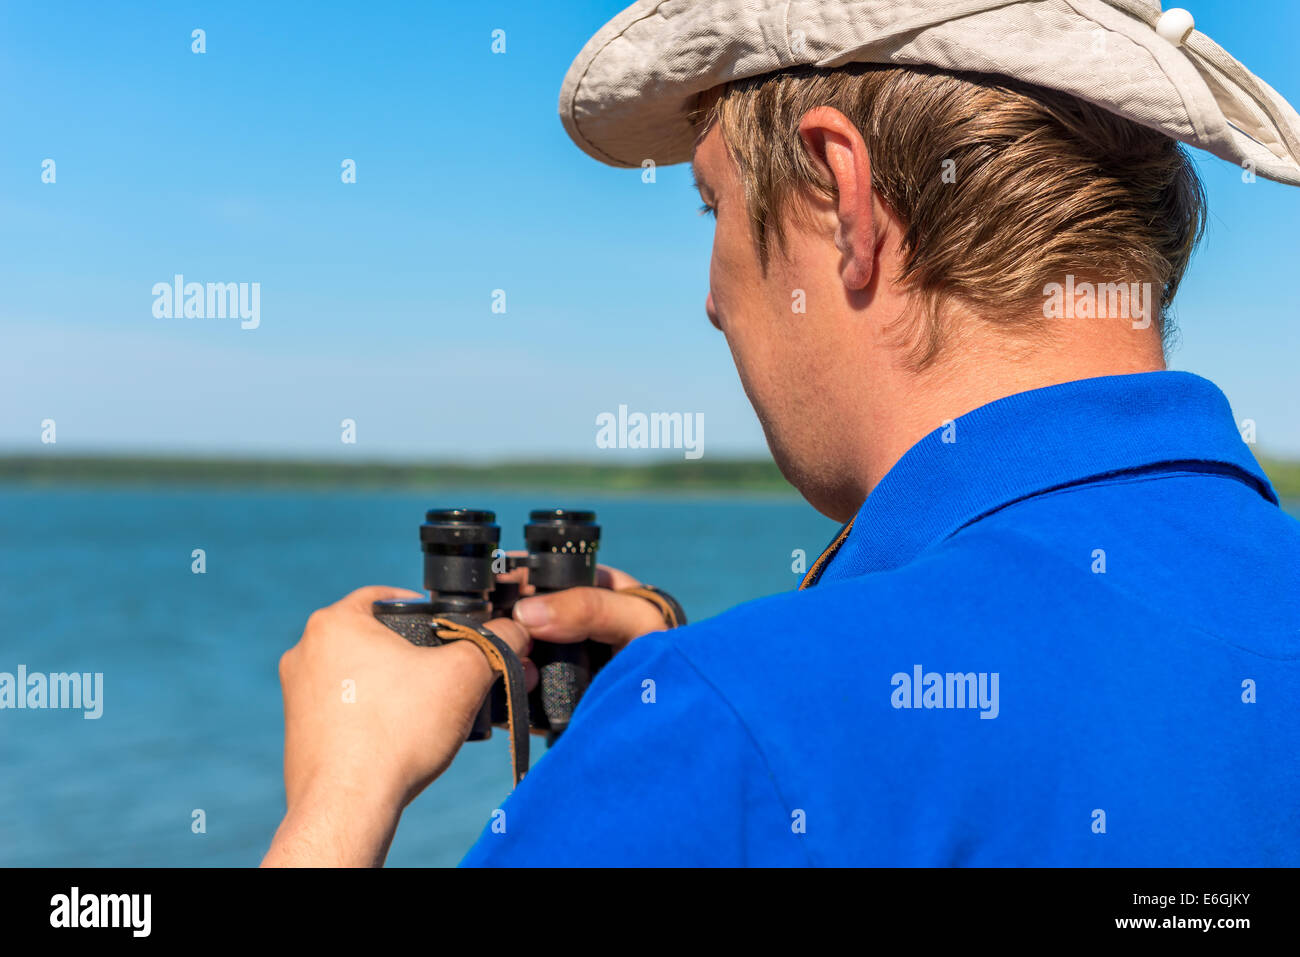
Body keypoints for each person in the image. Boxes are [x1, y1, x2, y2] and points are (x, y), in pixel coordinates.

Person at [263, 0, 1300, 866]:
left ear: (845, 199)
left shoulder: (729, 729)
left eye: (710, 206)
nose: (712, 301)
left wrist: (342, 794)